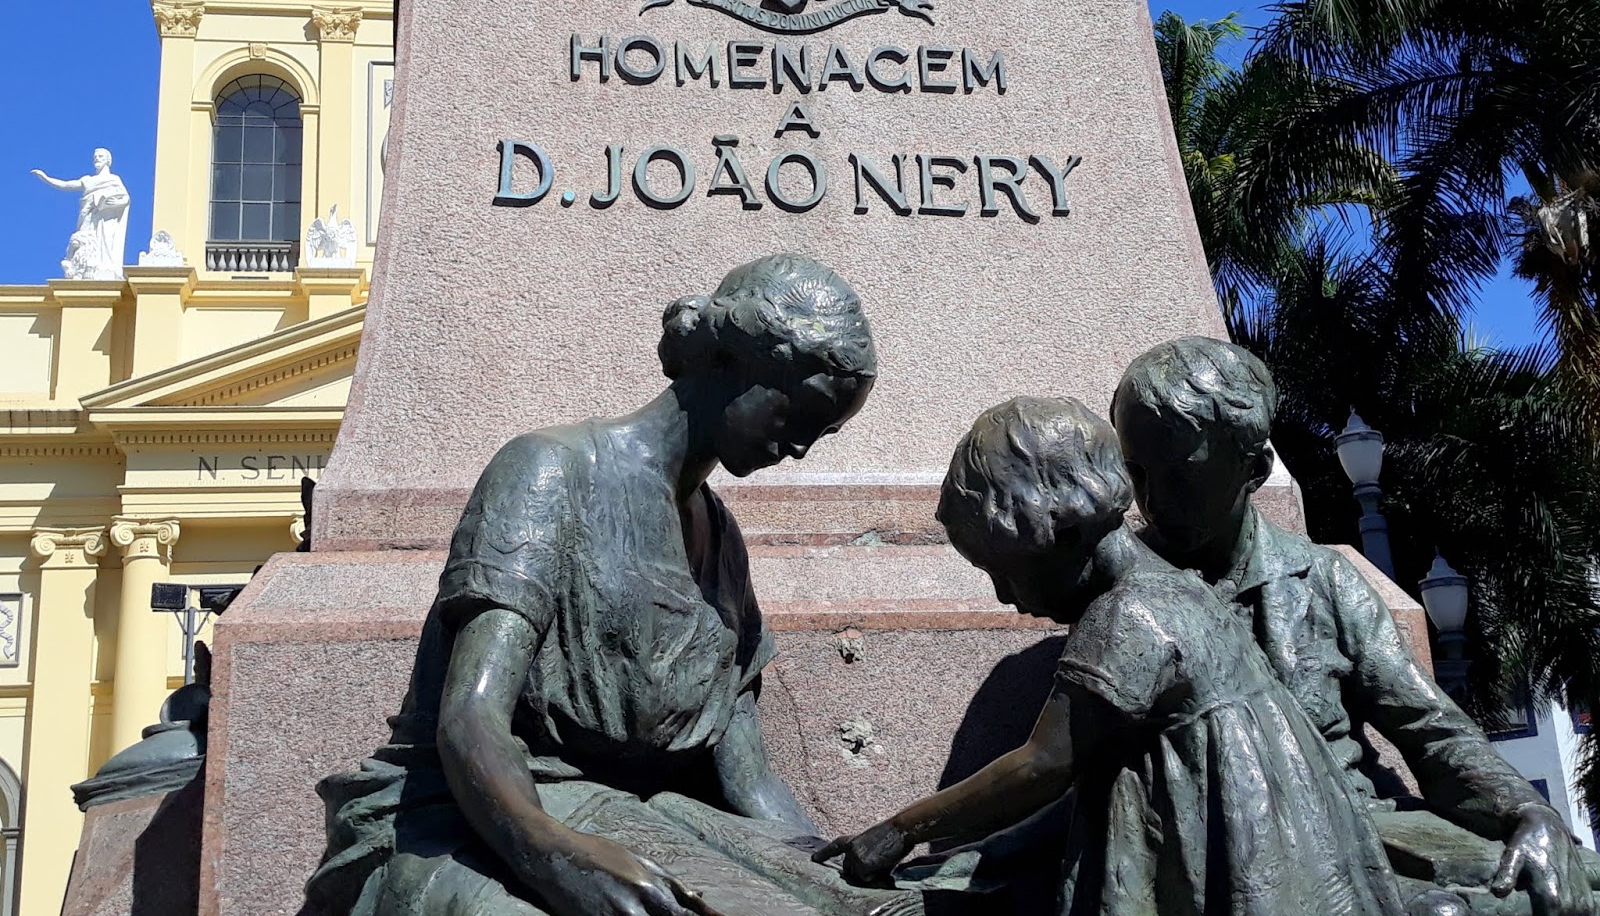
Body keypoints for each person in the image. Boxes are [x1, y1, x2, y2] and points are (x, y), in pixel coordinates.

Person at [305, 255, 899, 916]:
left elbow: (751, 780)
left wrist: (825, 871)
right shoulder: (549, 470)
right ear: (730, 363)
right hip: (476, 818)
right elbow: (471, 720)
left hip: (644, 820)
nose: (801, 448)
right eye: (800, 412)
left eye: (826, 431)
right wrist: (561, 858)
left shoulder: (722, 539)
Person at [815, 396, 1411, 916]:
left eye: (1004, 570)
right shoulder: (1181, 587)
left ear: (1064, 532)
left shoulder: (1126, 616)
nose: (1006, 597)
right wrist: (969, 858)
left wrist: (900, 829)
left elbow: (1044, 764)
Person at [1111, 336, 1596, 916]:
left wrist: (1528, 811)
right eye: (1137, 473)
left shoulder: (1324, 580)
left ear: (1255, 468)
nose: (1154, 501)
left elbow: (1430, 730)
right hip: (1231, 854)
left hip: (1365, 832)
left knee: (1567, 884)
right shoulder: (1129, 595)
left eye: (1181, 475)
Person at [31, 149, 130, 281]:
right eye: (95, 157)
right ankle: (78, 267)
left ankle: (101, 266)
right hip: (88, 217)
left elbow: (124, 198)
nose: (97, 159)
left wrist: (108, 202)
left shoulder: (114, 179)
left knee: (104, 240)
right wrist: (46, 178)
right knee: (82, 240)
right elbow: (66, 185)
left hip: (105, 217)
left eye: (100, 156)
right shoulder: (87, 180)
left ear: (107, 160)